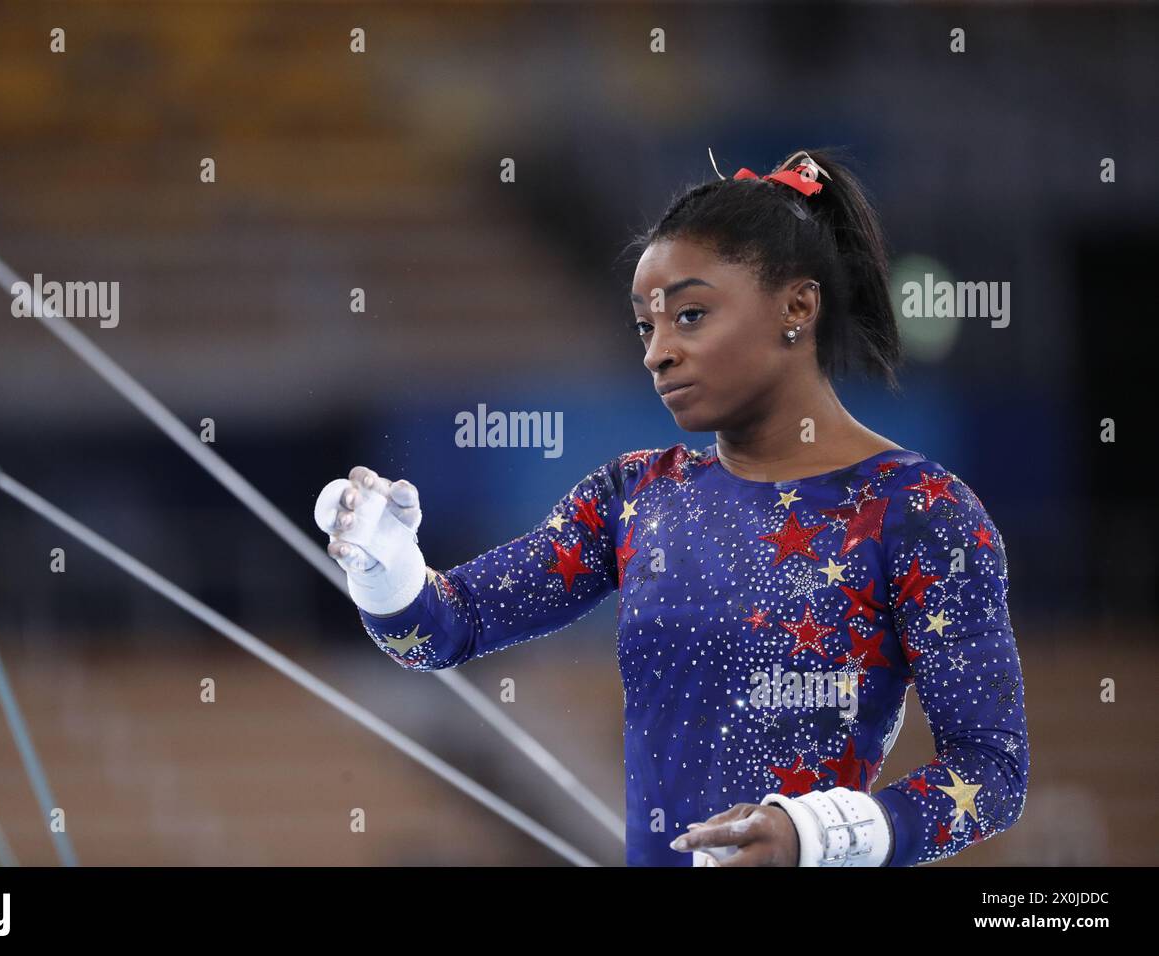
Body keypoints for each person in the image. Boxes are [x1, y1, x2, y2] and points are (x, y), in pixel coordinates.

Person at [313, 148, 1029, 867]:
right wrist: (388, 571)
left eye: (690, 315)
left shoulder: (917, 511)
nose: (658, 353)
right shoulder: (635, 497)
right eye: (646, 327)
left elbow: (993, 772)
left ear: (797, 307)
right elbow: (446, 631)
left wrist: (817, 833)